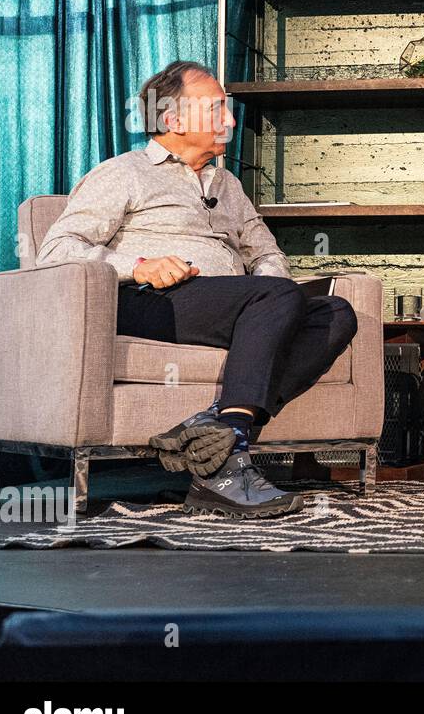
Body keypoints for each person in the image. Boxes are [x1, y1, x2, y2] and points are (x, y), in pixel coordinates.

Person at [36, 60, 358, 518]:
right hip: (152, 303)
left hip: (234, 306)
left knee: (336, 311)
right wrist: (140, 266)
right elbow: (56, 250)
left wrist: (277, 290)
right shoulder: (122, 173)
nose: (229, 120)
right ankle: (228, 465)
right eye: (217, 109)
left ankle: (217, 426)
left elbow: (265, 253)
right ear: (173, 119)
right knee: (277, 295)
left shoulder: (227, 184)